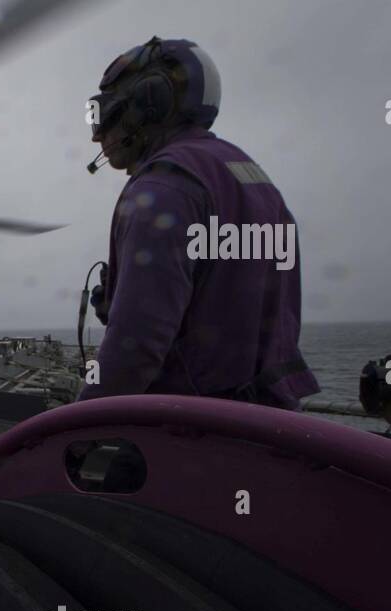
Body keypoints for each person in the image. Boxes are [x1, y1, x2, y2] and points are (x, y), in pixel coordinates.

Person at [79, 36, 319, 408]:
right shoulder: (249, 177)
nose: (98, 135)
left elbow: (137, 346)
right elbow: (233, 299)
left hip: (191, 428)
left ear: (149, 104)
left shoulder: (162, 190)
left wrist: (77, 431)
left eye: (105, 115)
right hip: (270, 426)